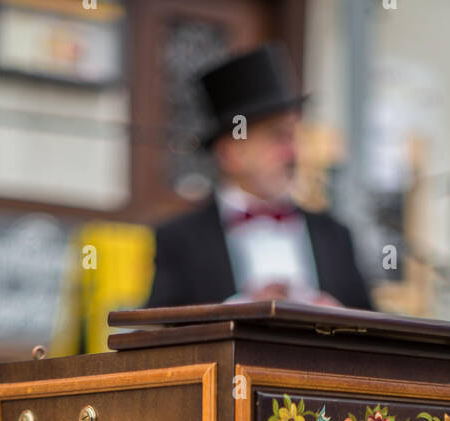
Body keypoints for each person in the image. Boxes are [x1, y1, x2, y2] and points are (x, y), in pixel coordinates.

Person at [146, 42, 372, 311]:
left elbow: (376, 331)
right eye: (277, 137)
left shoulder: (335, 235)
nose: (293, 152)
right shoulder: (182, 238)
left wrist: (338, 315)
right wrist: (241, 308)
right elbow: (157, 329)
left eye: (294, 137)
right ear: (230, 152)